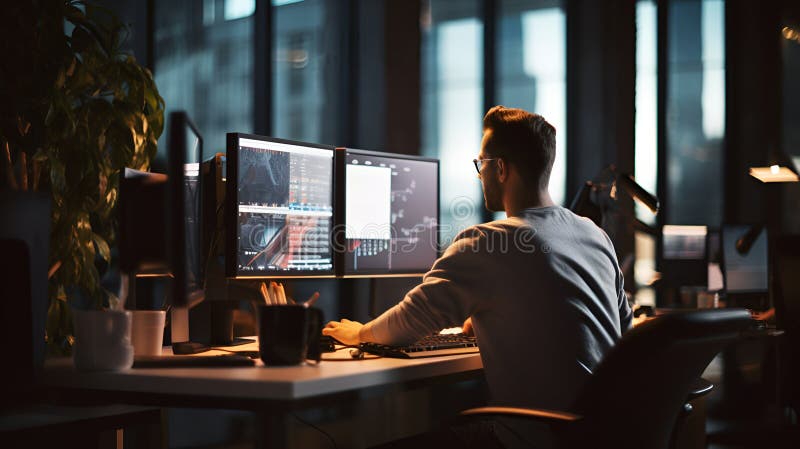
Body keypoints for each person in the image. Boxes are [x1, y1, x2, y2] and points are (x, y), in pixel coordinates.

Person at [324, 106, 632, 445]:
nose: (479, 173)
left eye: (480, 164)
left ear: (499, 168)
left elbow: (408, 323)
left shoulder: (489, 240)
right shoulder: (593, 234)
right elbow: (624, 333)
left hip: (537, 437)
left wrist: (360, 333)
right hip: (605, 433)